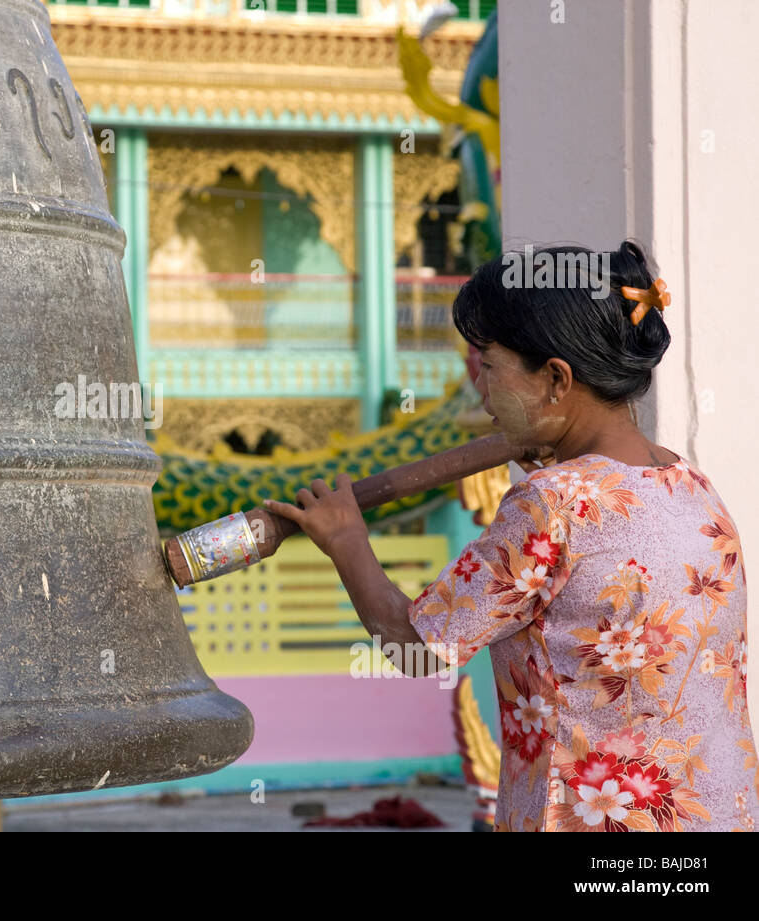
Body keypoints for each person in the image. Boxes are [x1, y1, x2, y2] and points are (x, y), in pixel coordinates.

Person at [264, 240, 756, 831]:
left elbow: (416, 649)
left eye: (490, 366)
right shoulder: (692, 485)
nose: (481, 389)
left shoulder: (550, 504)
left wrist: (346, 540)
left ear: (554, 380)